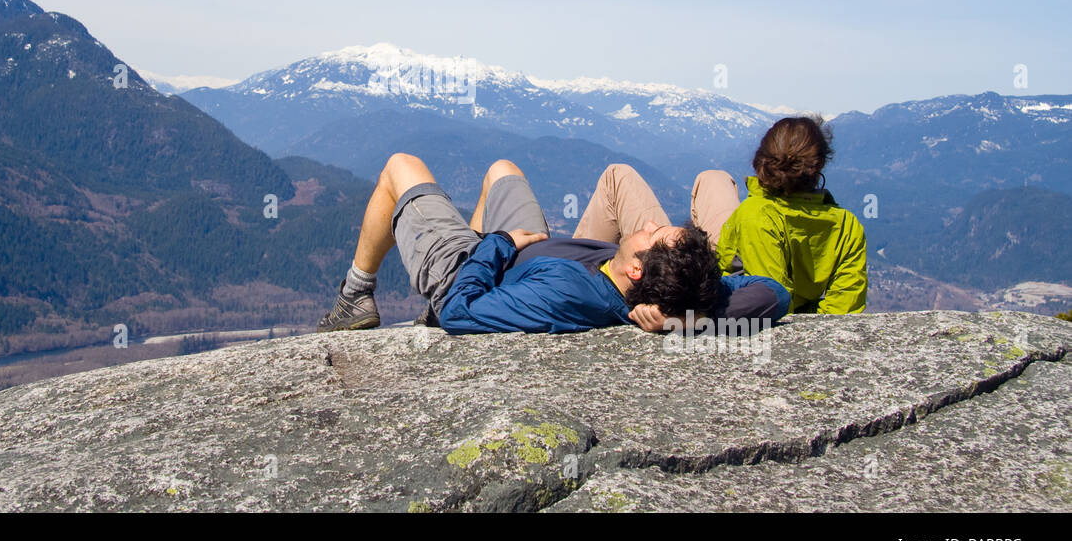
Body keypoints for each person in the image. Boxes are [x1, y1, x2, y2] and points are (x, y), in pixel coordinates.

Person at [317, 154, 787, 335]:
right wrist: (687, 317)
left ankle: (355, 296)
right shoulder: (663, 292)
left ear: (639, 271)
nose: (647, 222)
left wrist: (497, 244)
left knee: (401, 166)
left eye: (652, 234)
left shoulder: (567, 289)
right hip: (533, 248)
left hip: (469, 271)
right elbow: (774, 293)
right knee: (502, 170)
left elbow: (463, 311)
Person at [572, 162, 792, 328]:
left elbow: (776, 296)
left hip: (659, 268)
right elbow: (776, 294)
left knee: (617, 175)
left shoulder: (570, 282)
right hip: (693, 262)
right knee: (714, 178)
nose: (650, 224)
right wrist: (695, 318)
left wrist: (682, 319)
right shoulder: (711, 290)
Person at [690, 116, 868, 314]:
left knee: (712, 179)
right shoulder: (847, 225)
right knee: (714, 179)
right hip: (803, 313)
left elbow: (769, 298)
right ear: (819, 166)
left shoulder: (756, 215)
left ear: (761, 159)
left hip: (727, 279)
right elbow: (845, 306)